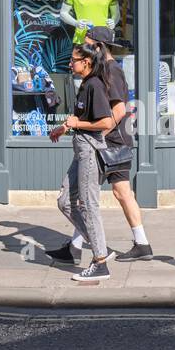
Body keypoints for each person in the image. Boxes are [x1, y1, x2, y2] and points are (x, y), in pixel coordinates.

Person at [73, 25, 153, 261]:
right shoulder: (103, 68)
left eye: (88, 43)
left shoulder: (111, 70)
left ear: (99, 46)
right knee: (93, 195)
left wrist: (102, 131)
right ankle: (75, 245)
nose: (85, 47)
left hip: (112, 142)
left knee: (116, 193)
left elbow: (119, 109)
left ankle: (141, 243)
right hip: (107, 142)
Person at [47, 42, 123, 281]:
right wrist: (63, 128)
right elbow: (80, 118)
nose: (70, 63)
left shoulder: (95, 85)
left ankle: (100, 262)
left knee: (88, 205)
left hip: (90, 152)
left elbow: (106, 123)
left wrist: (76, 124)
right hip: (80, 150)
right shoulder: (84, 85)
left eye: (74, 60)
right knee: (64, 201)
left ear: (86, 62)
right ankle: (101, 246)